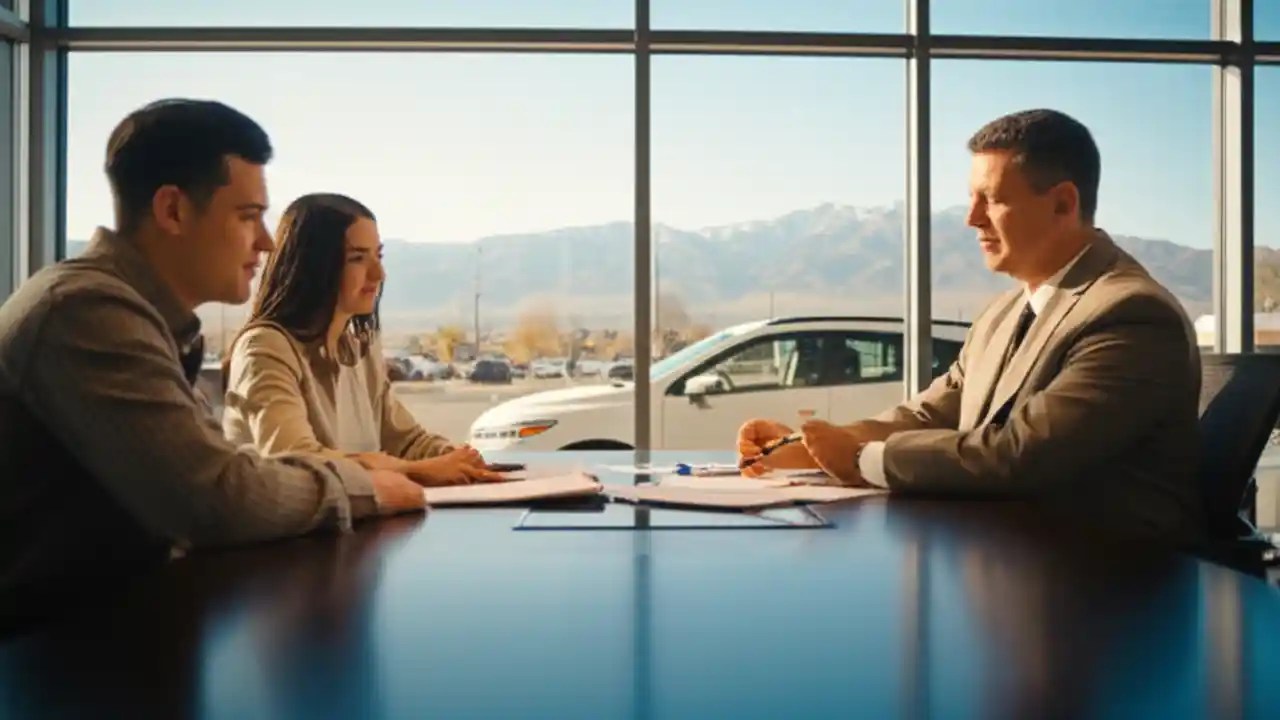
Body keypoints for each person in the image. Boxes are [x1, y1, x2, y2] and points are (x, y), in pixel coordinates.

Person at [0, 99, 428, 613]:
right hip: (49, 666)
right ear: (173, 211)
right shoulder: (85, 311)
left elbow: (222, 472)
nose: (268, 243)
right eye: (249, 216)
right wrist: (369, 489)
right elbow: (217, 496)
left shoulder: (143, 319)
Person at [738, 108, 1205, 545]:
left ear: (1063, 204)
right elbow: (926, 416)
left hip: (1104, 587)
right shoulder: (1002, 312)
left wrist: (858, 459)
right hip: (1006, 559)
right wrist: (809, 447)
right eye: (971, 199)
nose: (972, 218)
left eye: (993, 200)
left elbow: (1018, 455)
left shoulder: (1131, 314)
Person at [221, 193, 502, 485]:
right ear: (312, 266)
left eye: (378, 256)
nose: (378, 274)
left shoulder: (358, 351)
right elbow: (294, 461)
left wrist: (460, 459)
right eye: (357, 258)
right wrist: (414, 471)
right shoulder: (264, 349)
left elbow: (407, 442)